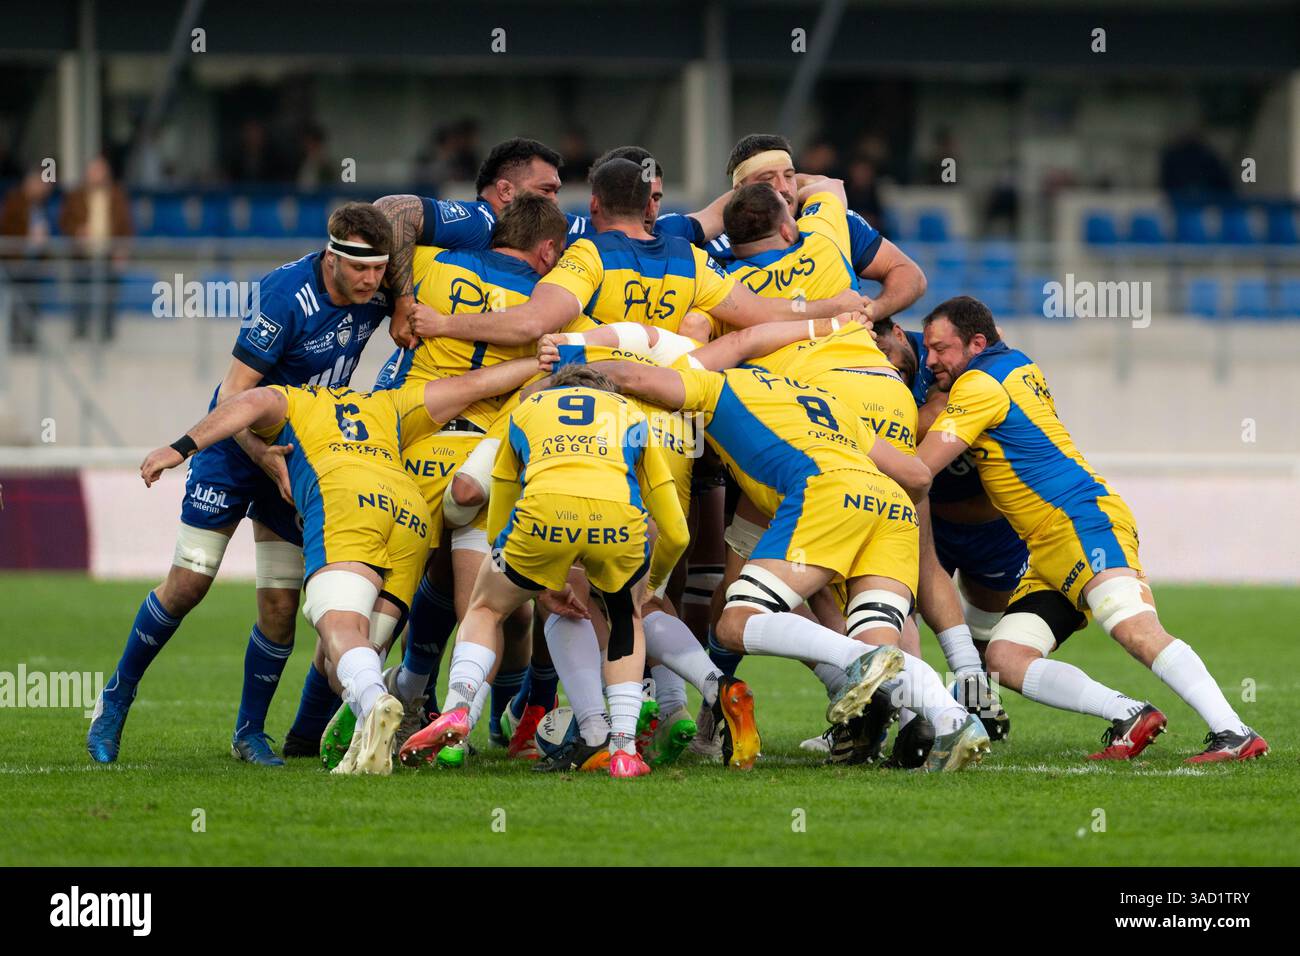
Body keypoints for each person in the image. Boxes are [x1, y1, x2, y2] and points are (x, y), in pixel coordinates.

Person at [87, 203, 399, 767]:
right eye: (362, 270)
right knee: (188, 585)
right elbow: (233, 396)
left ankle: (248, 734)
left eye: (381, 270)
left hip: (299, 455)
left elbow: (407, 312)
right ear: (332, 258)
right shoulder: (286, 297)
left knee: (280, 606)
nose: (374, 282)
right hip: (236, 449)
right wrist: (261, 455)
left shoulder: (377, 289)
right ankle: (115, 700)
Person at [577, 357, 990, 772]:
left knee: (734, 623)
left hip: (825, 490)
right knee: (882, 645)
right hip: (892, 504)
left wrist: (560, 371)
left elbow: (630, 375)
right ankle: (953, 718)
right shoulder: (826, 402)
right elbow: (917, 477)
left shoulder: (720, 385)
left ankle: (857, 659)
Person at [137, 357, 540, 774]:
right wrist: (541, 358)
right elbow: (475, 383)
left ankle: (376, 701)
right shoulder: (389, 403)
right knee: (350, 659)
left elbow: (245, 400)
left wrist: (180, 448)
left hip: (348, 504)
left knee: (343, 638)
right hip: (410, 513)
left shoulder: (290, 399)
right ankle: (366, 713)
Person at [915, 297, 1267, 763]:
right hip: (1047, 545)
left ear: (977, 343)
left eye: (941, 348)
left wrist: (852, 443)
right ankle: (1129, 714)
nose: (931, 359)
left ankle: (1233, 731)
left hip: (1080, 521)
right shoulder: (1015, 364)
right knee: (1004, 658)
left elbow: (921, 470)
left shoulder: (979, 384)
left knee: (1135, 628)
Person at [399, 364, 690, 778]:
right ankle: (623, 750)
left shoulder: (527, 409)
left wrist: (526, 575)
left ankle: (459, 708)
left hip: (542, 517)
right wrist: (652, 586)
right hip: (618, 522)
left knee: (485, 608)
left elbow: (500, 508)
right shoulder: (631, 413)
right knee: (627, 617)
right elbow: (676, 533)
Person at [706, 133, 926, 320]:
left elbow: (909, 274)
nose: (783, 188)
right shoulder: (714, 248)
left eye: (789, 176)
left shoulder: (833, 222)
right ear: (739, 190)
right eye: (767, 179)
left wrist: (872, 310)